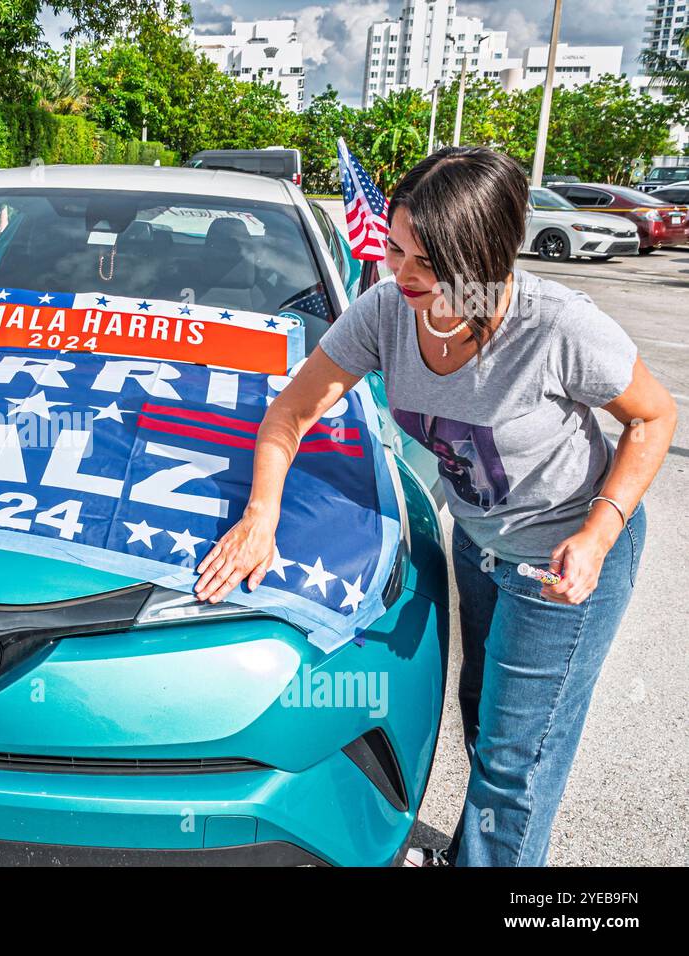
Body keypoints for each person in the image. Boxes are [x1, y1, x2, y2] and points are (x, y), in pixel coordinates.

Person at [193, 146, 675, 866]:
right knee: (483, 718)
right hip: (479, 545)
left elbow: (655, 418)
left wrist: (599, 534)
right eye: (394, 249)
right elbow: (289, 414)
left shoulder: (556, 325)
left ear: (480, 252)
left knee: (518, 759)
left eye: (427, 259)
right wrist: (260, 515)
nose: (402, 272)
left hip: (566, 552)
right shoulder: (388, 311)